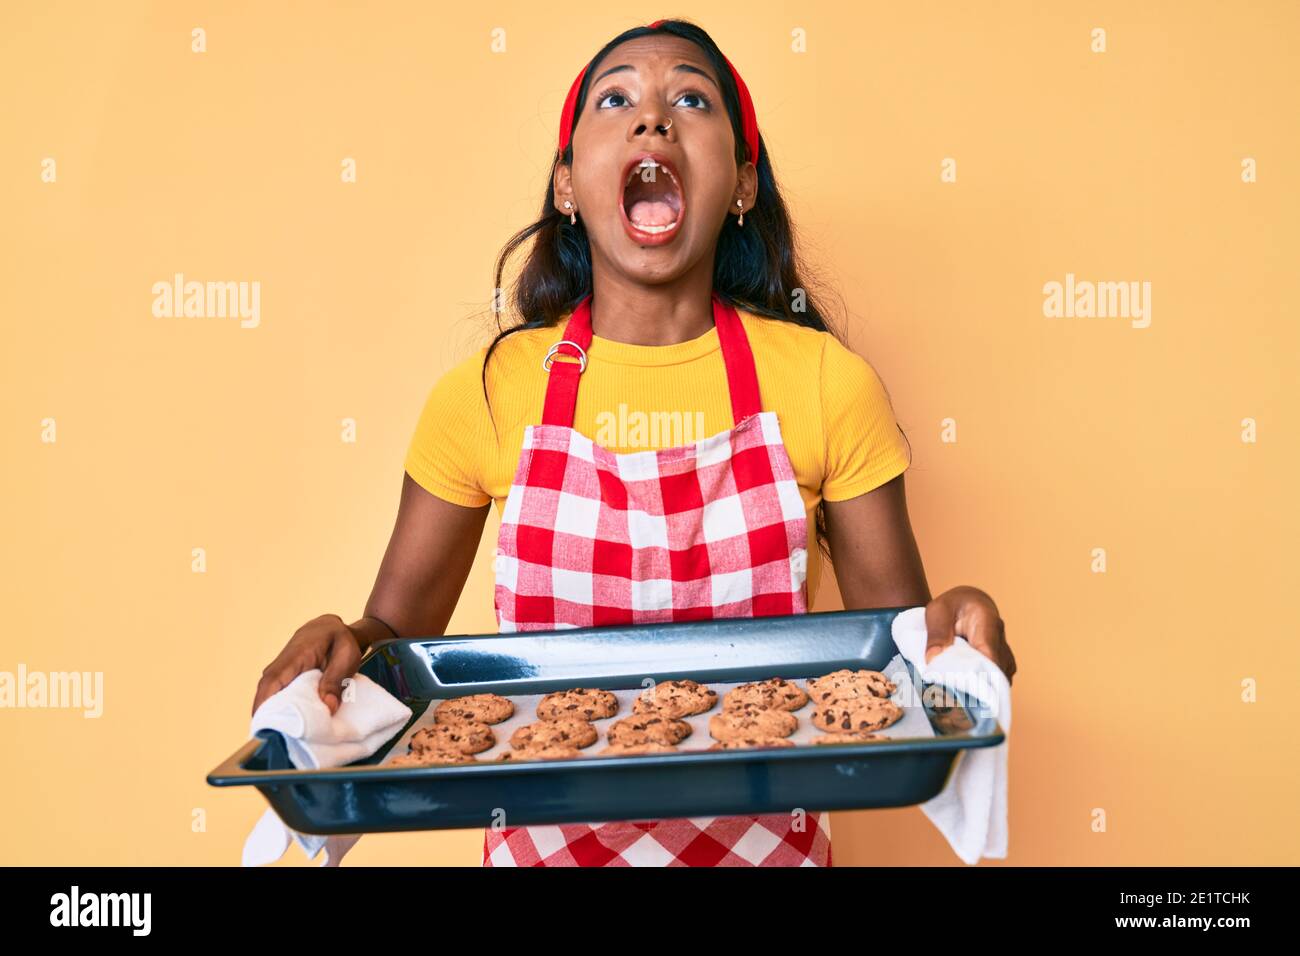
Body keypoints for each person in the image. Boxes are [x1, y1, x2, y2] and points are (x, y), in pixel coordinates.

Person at [250, 18, 1017, 867]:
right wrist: (346, 644)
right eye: (615, 99)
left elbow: (901, 654)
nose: (653, 119)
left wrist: (959, 636)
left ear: (743, 184)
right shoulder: (490, 392)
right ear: (570, 184)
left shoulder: (827, 382)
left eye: (691, 98)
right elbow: (396, 636)